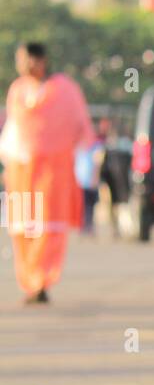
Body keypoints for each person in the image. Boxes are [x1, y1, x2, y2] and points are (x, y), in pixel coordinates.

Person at [2, 42, 94, 305]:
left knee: (49, 229)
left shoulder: (64, 90)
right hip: (20, 172)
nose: (22, 65)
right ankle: (29, 280)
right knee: (22, 229)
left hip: (53, 174)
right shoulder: (17, 90)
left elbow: (80, 126)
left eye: (25, 59)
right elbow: (13, 129)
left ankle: (41, 280)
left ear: (39, 60)